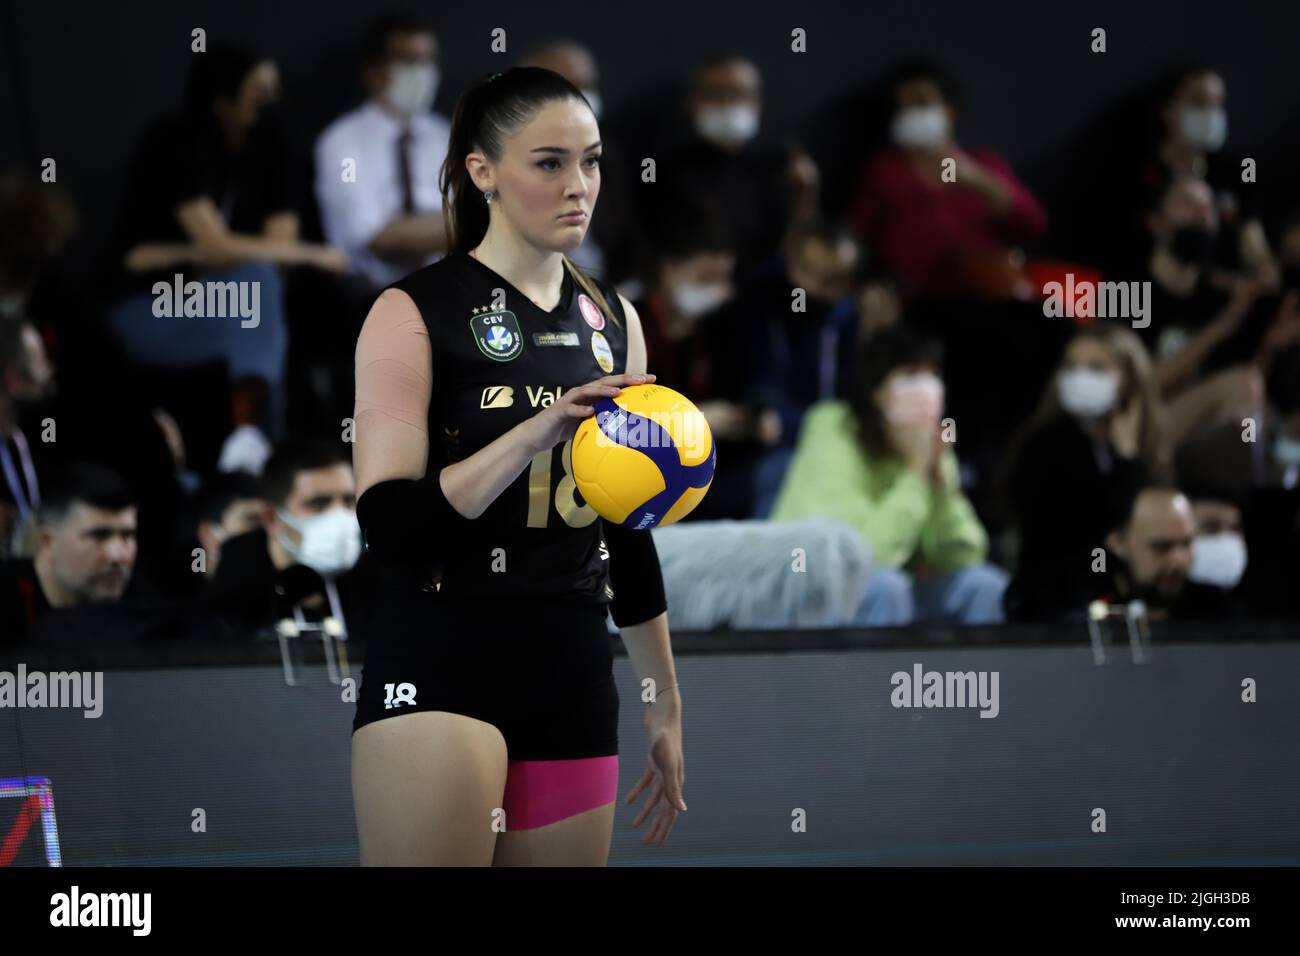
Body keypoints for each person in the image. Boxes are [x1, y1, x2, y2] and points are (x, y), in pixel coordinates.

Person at [349, 67, 684, 865]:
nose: (580, 186)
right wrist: (531, 436)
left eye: (593, 161)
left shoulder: (614, 319)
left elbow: (626, 526)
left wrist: (664, 698)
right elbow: (390, 525)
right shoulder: (412, 311)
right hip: (441, 654)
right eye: (549, 162)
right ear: (482, 171)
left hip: (569, 659)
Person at [101, 42, 347, 453]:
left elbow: (274, 247)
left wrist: (215, 254)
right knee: (257, 286)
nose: (268, 102)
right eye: (257, 91)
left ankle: (258, 448)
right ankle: (261, 437)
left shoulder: (272, 146)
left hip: (226, 303)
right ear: (222, 99)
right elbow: (213, 247)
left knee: (260, 287)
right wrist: (311, 253)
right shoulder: (174, 141)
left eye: (273, 90)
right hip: (153, 304)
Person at [769, 326, 1007, 626]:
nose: (926, 388)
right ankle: (878, 676)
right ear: (877, 392)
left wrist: (938, 482)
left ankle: (972, 675)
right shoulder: (832, 429)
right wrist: (915, 473)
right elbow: (864, 556)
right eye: (910, 375)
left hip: (894, 587)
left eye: (932, 376)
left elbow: (964, 554)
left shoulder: (929, 442)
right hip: (809, 590)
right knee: (887, 588)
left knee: (985, 586)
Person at [1001, 322, 1171, 621]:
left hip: (1131, 593)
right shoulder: (1044, 446)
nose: (1081, 377)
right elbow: (1096, 532)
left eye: (1096, 368)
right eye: (1071, 367)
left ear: (1128, 379)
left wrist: (1129, 458)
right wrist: (1126, 464)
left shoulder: (1145, 446)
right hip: (1059, 601)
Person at [846, 57, 1046, 299]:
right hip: (917, 300)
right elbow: (855, 239)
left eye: (921, 102)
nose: (911, 113)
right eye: (903, 106)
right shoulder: (885, 172)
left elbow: (1033, 224)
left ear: (949, 111)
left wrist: (981, 182)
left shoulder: (984, 164)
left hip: (988, 294)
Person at [653, 54, 820, 284]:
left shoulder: (781, 167)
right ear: (692, 101)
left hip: (766, 293)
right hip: (696, 295)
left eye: (740, 94)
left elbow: (803, 253)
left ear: (757, 102)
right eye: (716, 94)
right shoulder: (668, 171)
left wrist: (805, 195)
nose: (729, 103)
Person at [314, 11, 451, 291]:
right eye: (409, 61)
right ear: (373, 72)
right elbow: (375, 239)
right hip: (372, 294)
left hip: (449, 290)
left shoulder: (448, 136)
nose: (422, 71)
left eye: (428, 60)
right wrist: (480, 223)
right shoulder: (342, 142)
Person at [192, 440, 376, 641]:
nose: (339, 516)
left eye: (348, 501)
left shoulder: (376, 582)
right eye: (318, 504)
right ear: (272, 518)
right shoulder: (228, 606)